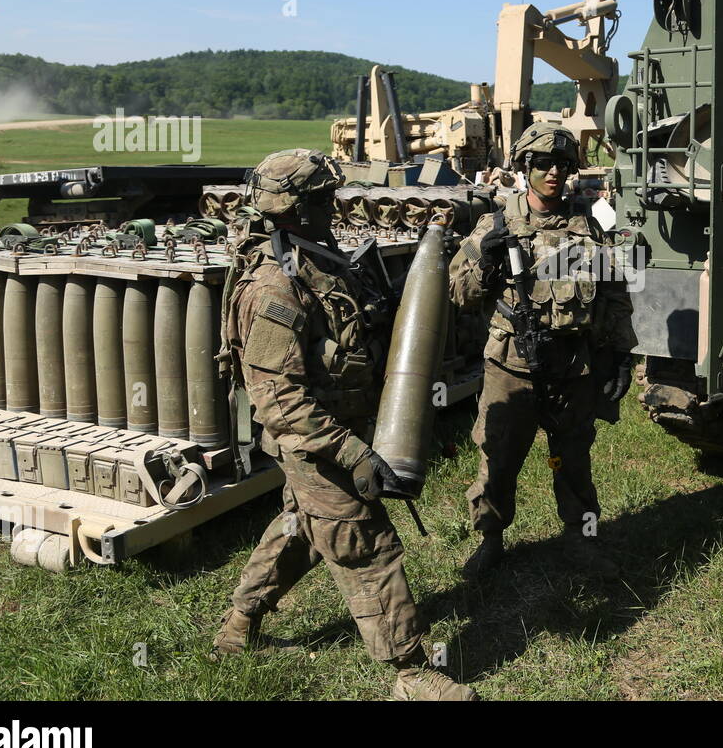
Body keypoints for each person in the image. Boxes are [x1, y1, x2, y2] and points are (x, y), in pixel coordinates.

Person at [211, 148, 476, 701]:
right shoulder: (275, 289)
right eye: (323, 198)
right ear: (297, 208)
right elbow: (279, 401)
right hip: (316, 443)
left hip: (341, 430)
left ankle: (238, 624)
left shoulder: (316, 261)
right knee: (365, 544)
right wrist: (355, 454)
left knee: (301, 530)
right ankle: (411, 670)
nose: (334, 204)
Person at [449, 123, 635, 578]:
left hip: (574, 363)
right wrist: (483, 260)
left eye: (563, 166)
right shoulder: (495, 223)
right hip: (512, 365)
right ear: (524, 169)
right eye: (542, 165)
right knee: (498, 456)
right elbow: (459, 293)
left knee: (573, 458)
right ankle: (490, 539)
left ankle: (581, 539)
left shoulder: (591, 222)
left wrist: (620, 355)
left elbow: (615, 292)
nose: (554, 173)